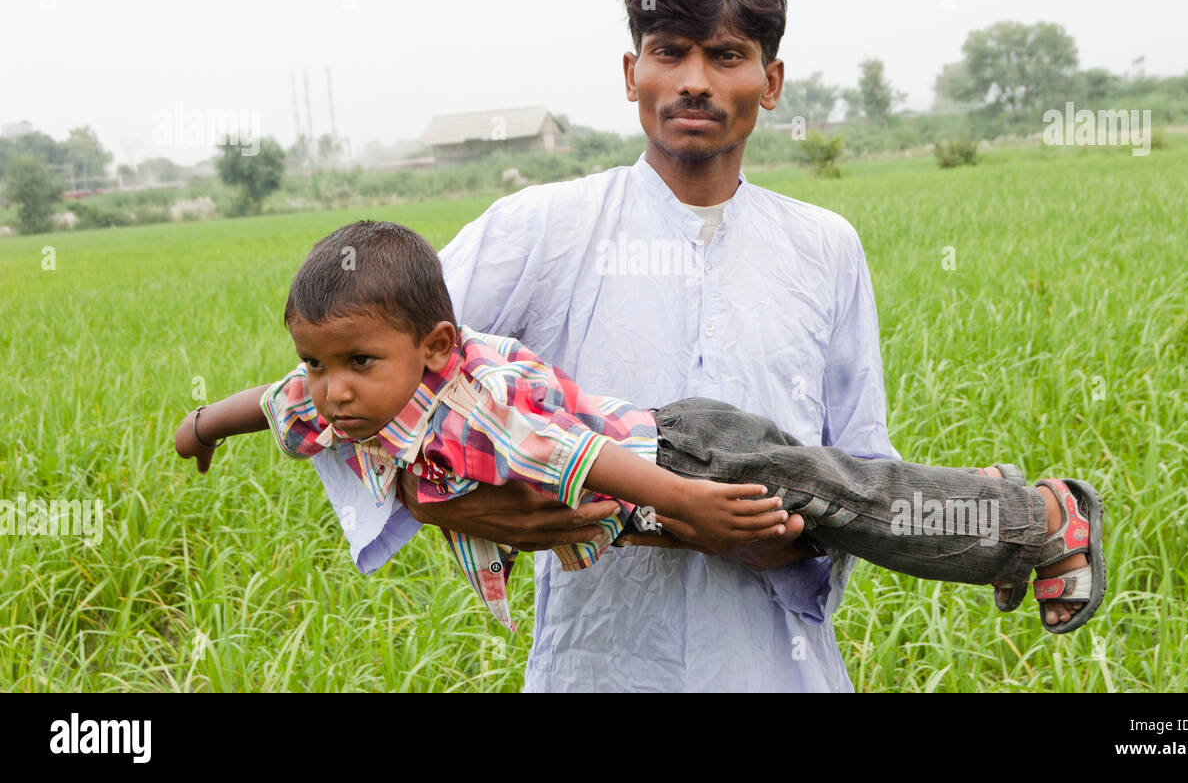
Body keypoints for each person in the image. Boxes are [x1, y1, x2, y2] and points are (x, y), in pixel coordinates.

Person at [173, 219, 1104, 639]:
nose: (332, 392)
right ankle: (991, 515)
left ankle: (1041, 519)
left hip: (682, 452)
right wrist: (201, 427)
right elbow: (272, 402)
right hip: (642, 506)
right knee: (839, 510)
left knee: (843, 500)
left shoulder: (475, 403)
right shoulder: (338, 393)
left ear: (435, 345)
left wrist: (692, 502)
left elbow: (584, 458)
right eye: (317, 363)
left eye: (356, 364)